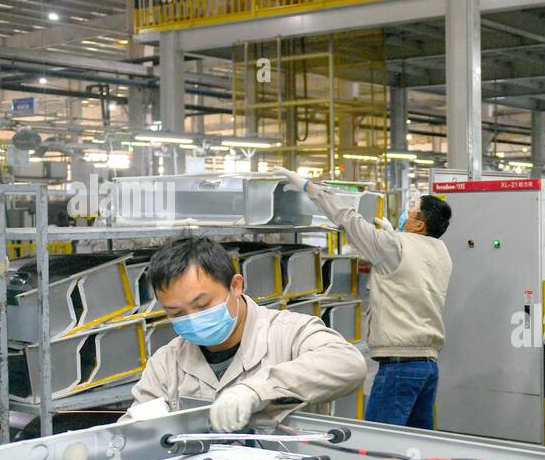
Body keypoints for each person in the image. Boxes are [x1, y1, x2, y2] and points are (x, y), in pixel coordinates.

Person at [128, 235, 366, 430]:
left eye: (202, 305)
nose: (192, 318)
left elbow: (348, 364)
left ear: (235, 285)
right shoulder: (166, 362)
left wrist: (255, 391)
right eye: (176, 312)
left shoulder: (289, 333)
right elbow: (135, 429)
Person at [276, 168, 453, 429]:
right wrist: (392, 237)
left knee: (378, 443)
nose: (406, 209)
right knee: (417, 445)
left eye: (412, 207)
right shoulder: (441, 252)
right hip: (428, 365)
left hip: (399, 367)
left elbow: (347, 218)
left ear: (418, 225)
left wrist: (310, 188)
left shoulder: (394, 246)